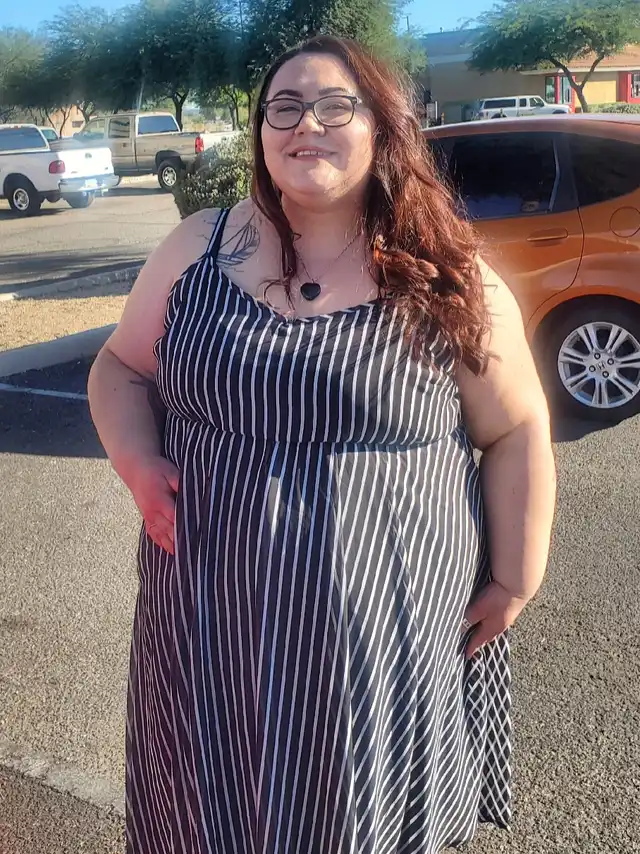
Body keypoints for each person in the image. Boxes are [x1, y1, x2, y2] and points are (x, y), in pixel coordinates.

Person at [88, 35, 556, 854]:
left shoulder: (447, 272)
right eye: (285, 107)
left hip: (383, 643)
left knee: (354, 818)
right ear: (262, 133)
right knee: (204, 809)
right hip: (206, 630)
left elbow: (517, 426)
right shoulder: (198, 247)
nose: (307, 123)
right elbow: (121, 367)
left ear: (383, 127)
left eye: (336, 105)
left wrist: (518, 574)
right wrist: (136, 461)